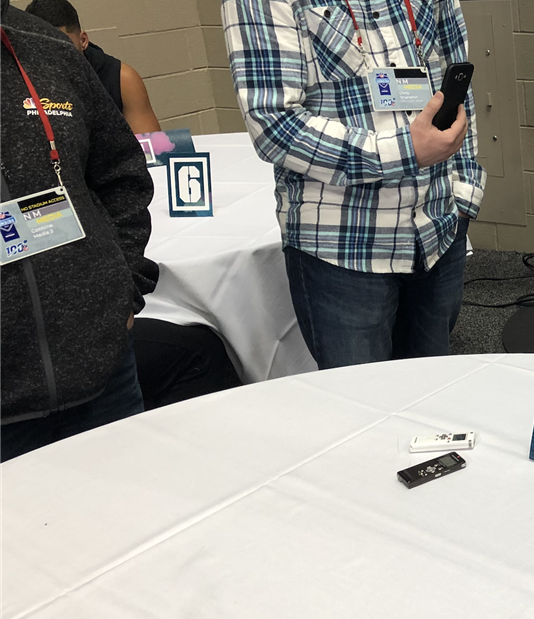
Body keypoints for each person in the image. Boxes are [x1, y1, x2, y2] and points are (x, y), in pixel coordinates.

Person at [223, 0, 485, 369]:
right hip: (344, 246)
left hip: (438, 227)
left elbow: (455, 80)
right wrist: (405, 151)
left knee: (432, 393)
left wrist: (465, 194)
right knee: (361, 405)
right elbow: (275, 124)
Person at [0, 0, 157, 461]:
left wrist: (125, 286)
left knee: (134, 519)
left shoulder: (49, 47)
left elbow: (122, 174)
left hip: (101, 373)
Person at [23, 0, 161, 134]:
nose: (55, 60)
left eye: (64, 49)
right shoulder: (18, 78)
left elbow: (151, 152)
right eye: (43, 50)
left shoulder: (121, 80)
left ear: (83, 40)